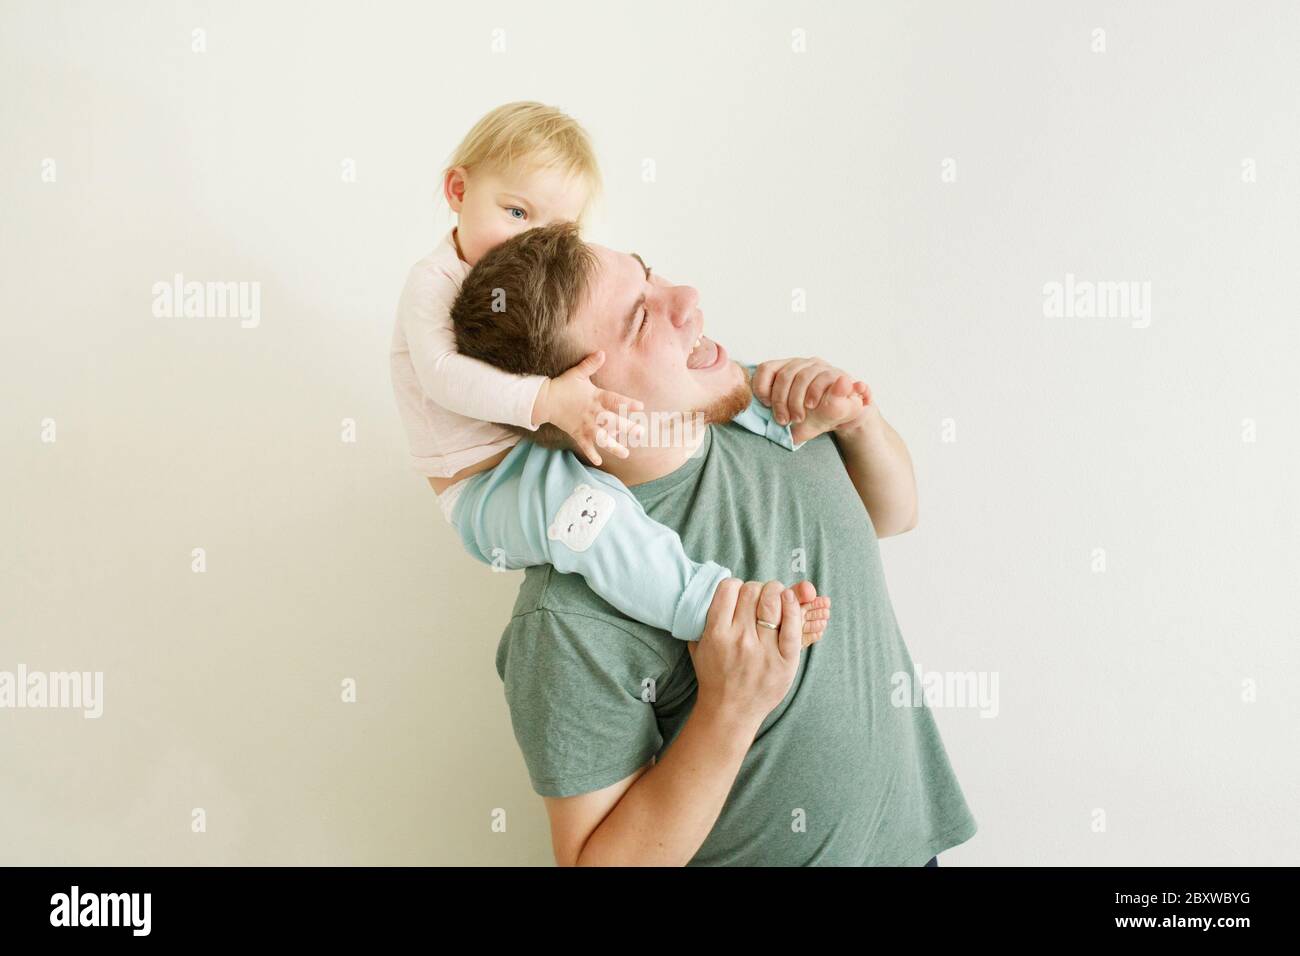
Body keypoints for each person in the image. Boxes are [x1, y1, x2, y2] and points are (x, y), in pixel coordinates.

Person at [449, 222, 979, 866]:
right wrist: (731, 708)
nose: (687, 297)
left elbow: (895, 515)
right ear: (582, 403)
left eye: (650, 272)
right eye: (642, 319)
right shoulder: (564, 617)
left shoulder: (767, 413)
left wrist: (861, 421)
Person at [391, 101, 829, 640]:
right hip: (485, 484)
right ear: (458, 191)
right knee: (594, 518)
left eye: (561, 226)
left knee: (663, 390)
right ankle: (708, 607)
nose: (529, 241)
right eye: (517, 214)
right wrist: (548, 400)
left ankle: (776, 414)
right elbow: (441, 375)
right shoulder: (432, 281)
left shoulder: (522, 279)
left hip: (531, 441)